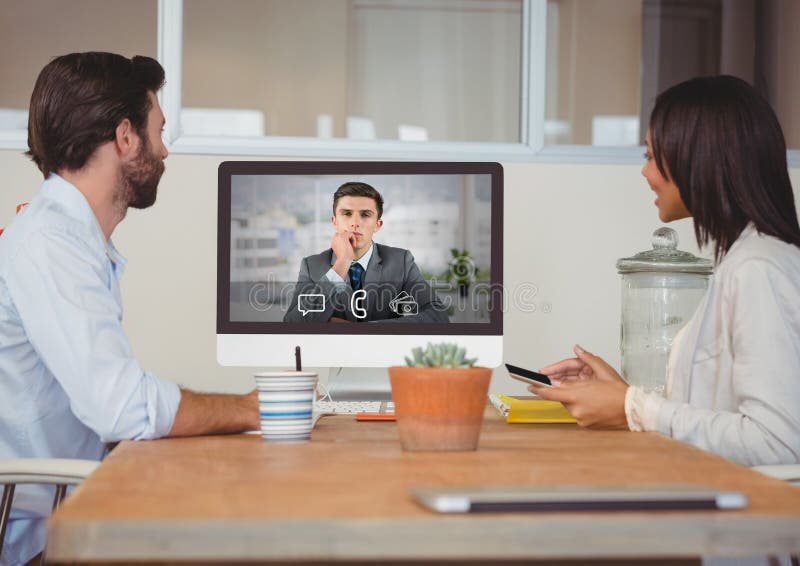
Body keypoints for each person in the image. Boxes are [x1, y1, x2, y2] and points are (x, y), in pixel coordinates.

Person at [0, 52, 259, 565]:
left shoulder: (65, 237)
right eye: (158, 131)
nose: (164, 151)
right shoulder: (49, 243)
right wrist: (251, 409)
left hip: (68, 508)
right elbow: (119, 406)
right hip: (39, 535)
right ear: (125, 137)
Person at [530, 75, 800, 467]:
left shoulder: (759, 269)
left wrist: (634, 408)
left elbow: (779, 445)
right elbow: (713, 413)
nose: (645, 173)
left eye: (653, 156)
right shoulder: (742, 262)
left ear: (699, 159)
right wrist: (622, 396)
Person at [283, 182, 449, 323]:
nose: (355, 223)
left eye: (365, 215)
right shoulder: (312, 266)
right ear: (335, 222)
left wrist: (366, 330)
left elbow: (438, 316)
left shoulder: (401, 261)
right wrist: (342, 263)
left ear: (378, 224)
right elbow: (293, 322)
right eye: (347, 214)